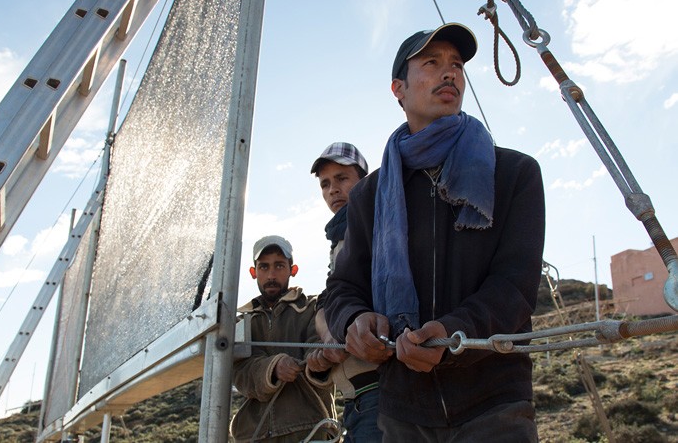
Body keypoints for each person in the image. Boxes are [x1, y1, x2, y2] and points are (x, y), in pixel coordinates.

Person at [323, 22, 545, 442]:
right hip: (403, 410)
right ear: (398, 90)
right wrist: (354, 320)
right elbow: (342, 288)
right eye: (431, 63)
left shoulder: (514, 174)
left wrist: (453, 333)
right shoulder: (370, 195)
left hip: (495, 403)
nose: (450, 73)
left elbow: (515, 287)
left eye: (457, 65)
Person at [306, 142, 384, 442]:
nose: (332, 190)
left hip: (381, 387)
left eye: (342, 178)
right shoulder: (339, 238)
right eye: (325, 184)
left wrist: (333, 331)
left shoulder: (375, 227)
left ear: (363, 181)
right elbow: (328, 302)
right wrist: (329, 340)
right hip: (356, 394)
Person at [230, 235, 336, 442]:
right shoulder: (241, 322)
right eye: (264, 267)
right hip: (253, 435)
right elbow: (240, 373)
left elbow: (319, 349)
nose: (271, 275)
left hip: (310, 429)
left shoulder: (314, 308)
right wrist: (273, 367)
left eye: (279, 266)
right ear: (254, 272)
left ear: (292, 270)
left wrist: (319, 362)